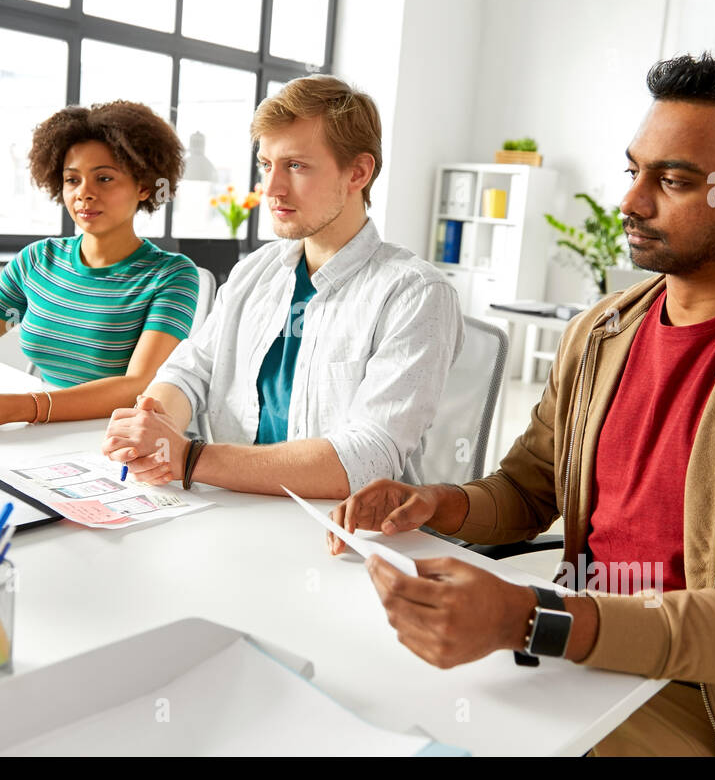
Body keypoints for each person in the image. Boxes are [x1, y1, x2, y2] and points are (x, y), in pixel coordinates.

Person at [329, 54, 715, 757]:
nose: (632, 203)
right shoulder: (602, 332)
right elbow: (526, 489)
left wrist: (535, 618)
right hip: (585, 658)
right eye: (634, 170)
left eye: (673, 180)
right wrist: (434, 504)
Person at [100, 75, 463, 498]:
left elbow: (368, 459)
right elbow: (192, 370)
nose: (271, 189)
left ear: (358, 172)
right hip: (233, 506)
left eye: (296, 165)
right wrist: (154, 422)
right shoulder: (255, 271)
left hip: (343, 532)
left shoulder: (415, 294)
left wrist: (190, 458)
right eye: (266, 165)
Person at [0, 101, 199, 432]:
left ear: (144, 186)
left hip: (113, 438)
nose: (84, 194)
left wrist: (13, 408)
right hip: (39, 431)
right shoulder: (37, 260)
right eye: (72, 179)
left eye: (104, 178)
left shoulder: (172, 276)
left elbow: (137, 385)